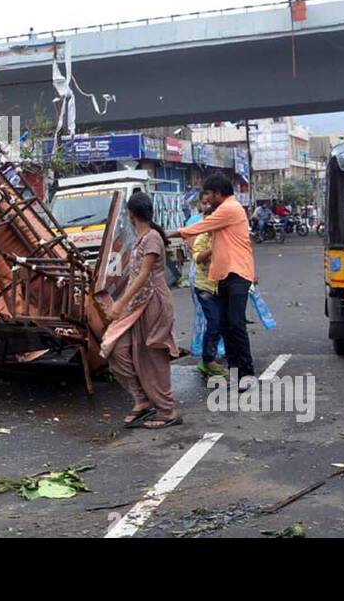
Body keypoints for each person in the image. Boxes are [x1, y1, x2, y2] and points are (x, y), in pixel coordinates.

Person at [105, 192, 181, 430]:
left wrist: (119, 303)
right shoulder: (140, 238)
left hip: (153, 303)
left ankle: (167, 410)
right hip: (137, 305)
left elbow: (143, 274)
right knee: (117, 350)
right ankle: (141, 400)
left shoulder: (152, 238)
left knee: (152, 356)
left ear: (131, 214)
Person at [171, 174, 258, 379]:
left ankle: (247, 374)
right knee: (228, 326)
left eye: (208, 194)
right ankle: (236, 373)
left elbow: (197, 228)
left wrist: (165, 233)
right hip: (224, 275)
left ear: (218, 193)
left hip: (237, 274)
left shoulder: (229, 209)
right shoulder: (226, 209)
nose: (206, 199)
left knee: (235, 324)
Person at [186, 202, 224, 376]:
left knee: (225, 322)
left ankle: (217, 355)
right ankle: (208, 359)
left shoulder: (226, 236)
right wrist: (212, 249)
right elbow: (198, 258)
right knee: (214, 321)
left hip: (222, 285)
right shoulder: (202, 238)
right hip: (204, 287)